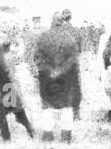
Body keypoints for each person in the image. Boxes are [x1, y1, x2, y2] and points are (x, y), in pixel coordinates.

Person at [34, 11, 83, 142]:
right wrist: (61, 70)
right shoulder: (69, 39)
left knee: (47, 106)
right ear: (62, 23)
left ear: (52, 22)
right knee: (66, 106)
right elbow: (73, 59)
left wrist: (50, 70)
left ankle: (48, 134)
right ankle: (66, 135)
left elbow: (37, 58)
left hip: (46, 77)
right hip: (65, 77)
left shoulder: (42, 37)